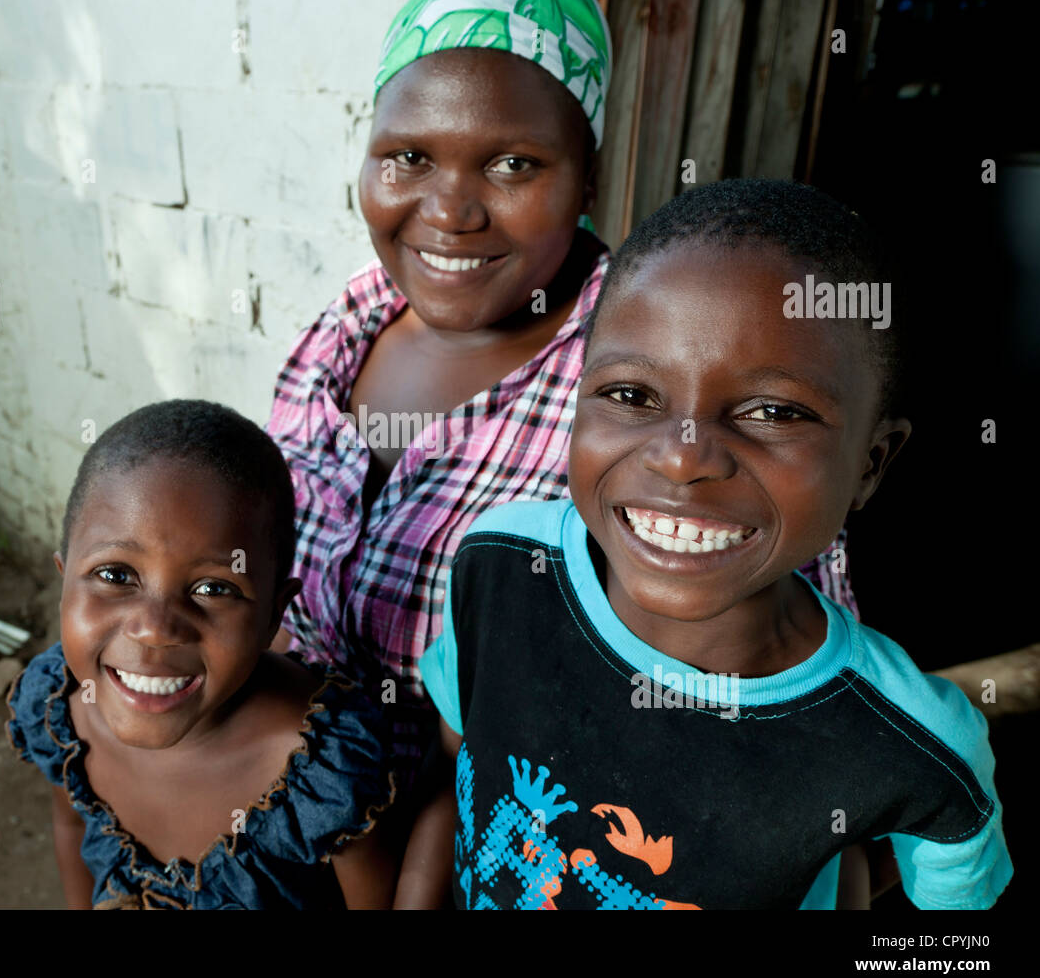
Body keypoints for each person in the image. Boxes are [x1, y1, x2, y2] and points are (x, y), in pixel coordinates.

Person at [266, 0, 856, 790]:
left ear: (590, 177)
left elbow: (778, 690)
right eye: (409, 156)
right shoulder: (345, 327)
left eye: (512, 165)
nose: (449, 211)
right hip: (292, 818)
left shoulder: (656, 383)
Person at [398, 179, 1013, 909]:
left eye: (772, 411)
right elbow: (458, 774)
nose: (684, 457)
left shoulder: (913, 743)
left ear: (871, 464)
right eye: (631, 395)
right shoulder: (502, 563)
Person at [6, 401, 398, 909]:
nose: (154, 629)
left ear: (275, 615)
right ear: (63, 577)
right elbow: (69, 827)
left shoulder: (322, 768)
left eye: (214, 588)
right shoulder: (59, 711)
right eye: (115, 575)